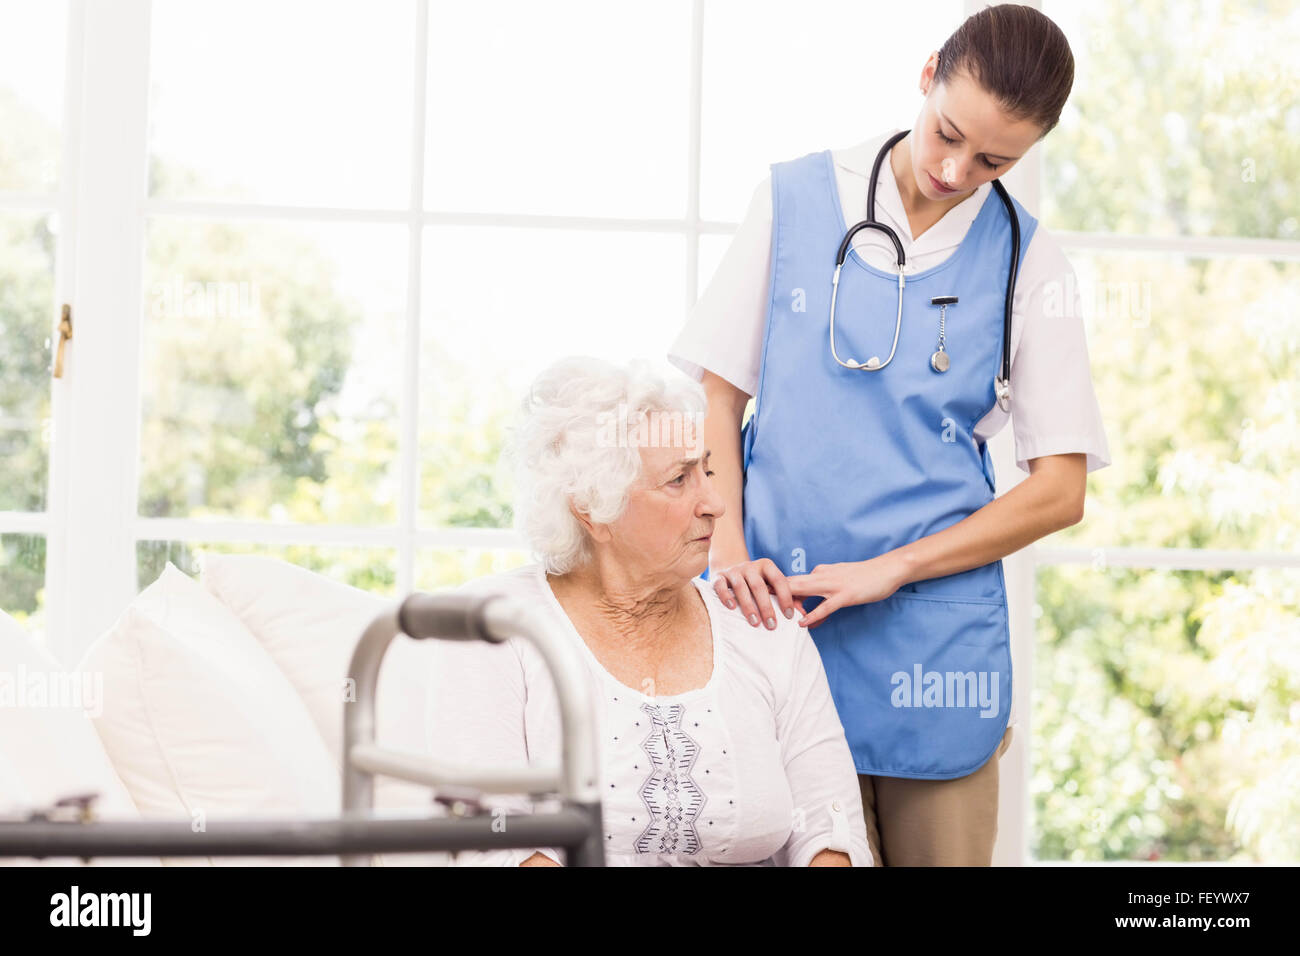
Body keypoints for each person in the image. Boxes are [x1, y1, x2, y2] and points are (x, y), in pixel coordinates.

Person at [668, 4, 1110, 866]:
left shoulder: (1027, 258)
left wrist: (894, 568)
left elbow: (1062, 489)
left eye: (995, 160)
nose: (956, 169)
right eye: (948, 132)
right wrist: (726, 553)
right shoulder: (794, 198)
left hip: (933, 647)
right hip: (777, 618)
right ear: (928, 72)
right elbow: (717, 394)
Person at [424, 356, 873, 866]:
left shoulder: (762, 625)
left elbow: (830, 825)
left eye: (707, 469)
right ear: (593, 508)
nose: (716, 503)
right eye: (679, 480)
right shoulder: (491, 628)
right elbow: (495, 842)